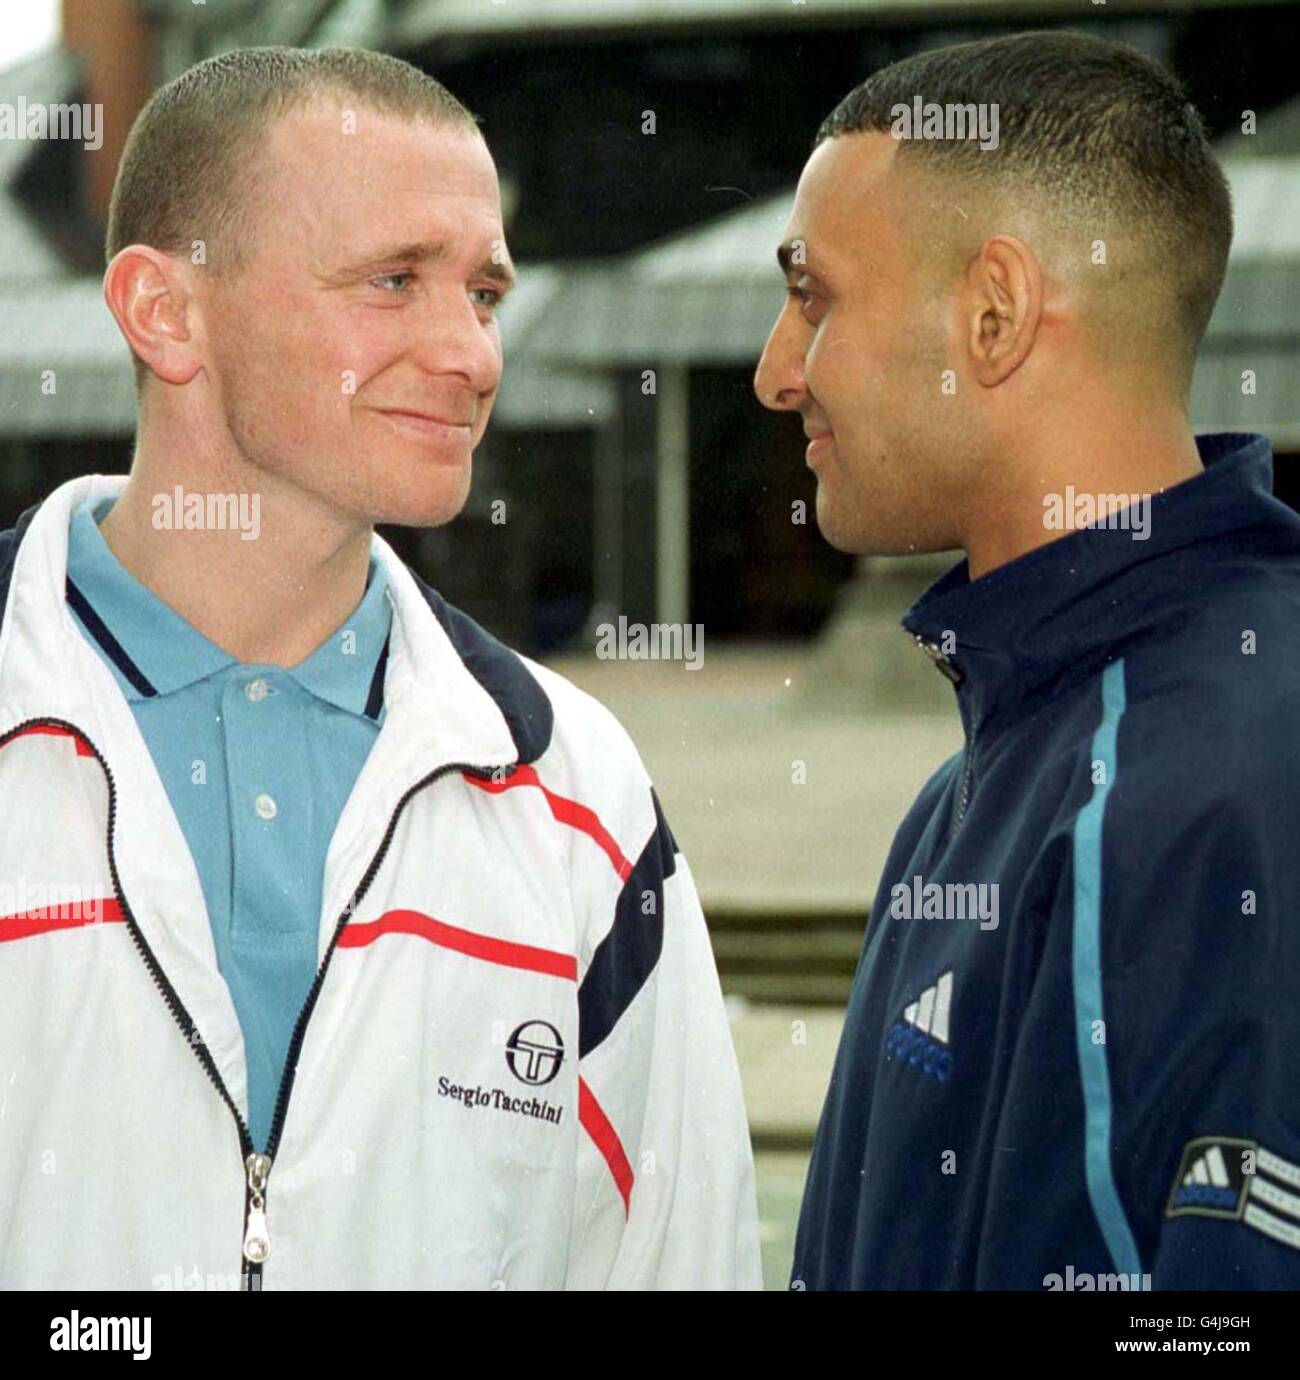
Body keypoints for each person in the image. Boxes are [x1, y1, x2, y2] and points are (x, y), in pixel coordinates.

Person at [0, 46, 761, 1291]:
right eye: (395, 281)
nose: (471, 354)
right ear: (164, 310)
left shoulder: (576, 794)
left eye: (484, 292)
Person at [754, 29, 1300, 1289]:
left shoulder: (1220, 779)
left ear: (991, 314)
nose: (781, 373)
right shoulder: (1001, 777)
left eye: (813, 296)